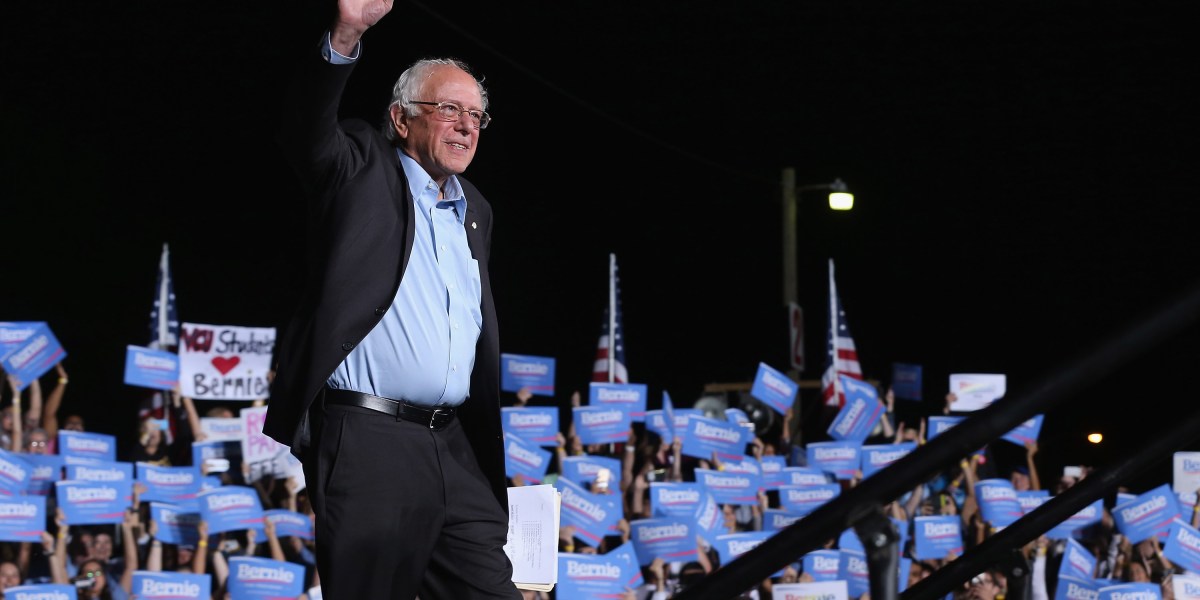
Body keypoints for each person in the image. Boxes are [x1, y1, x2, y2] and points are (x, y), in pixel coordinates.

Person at [261, 0, 517, 598]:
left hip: (453, 446)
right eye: (449, 109)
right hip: (369, 440)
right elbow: (306, 129)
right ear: (401, 120)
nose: (466, 125)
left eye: (477, 115)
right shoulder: (359, 166)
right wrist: (347, 32)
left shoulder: (475, 209)